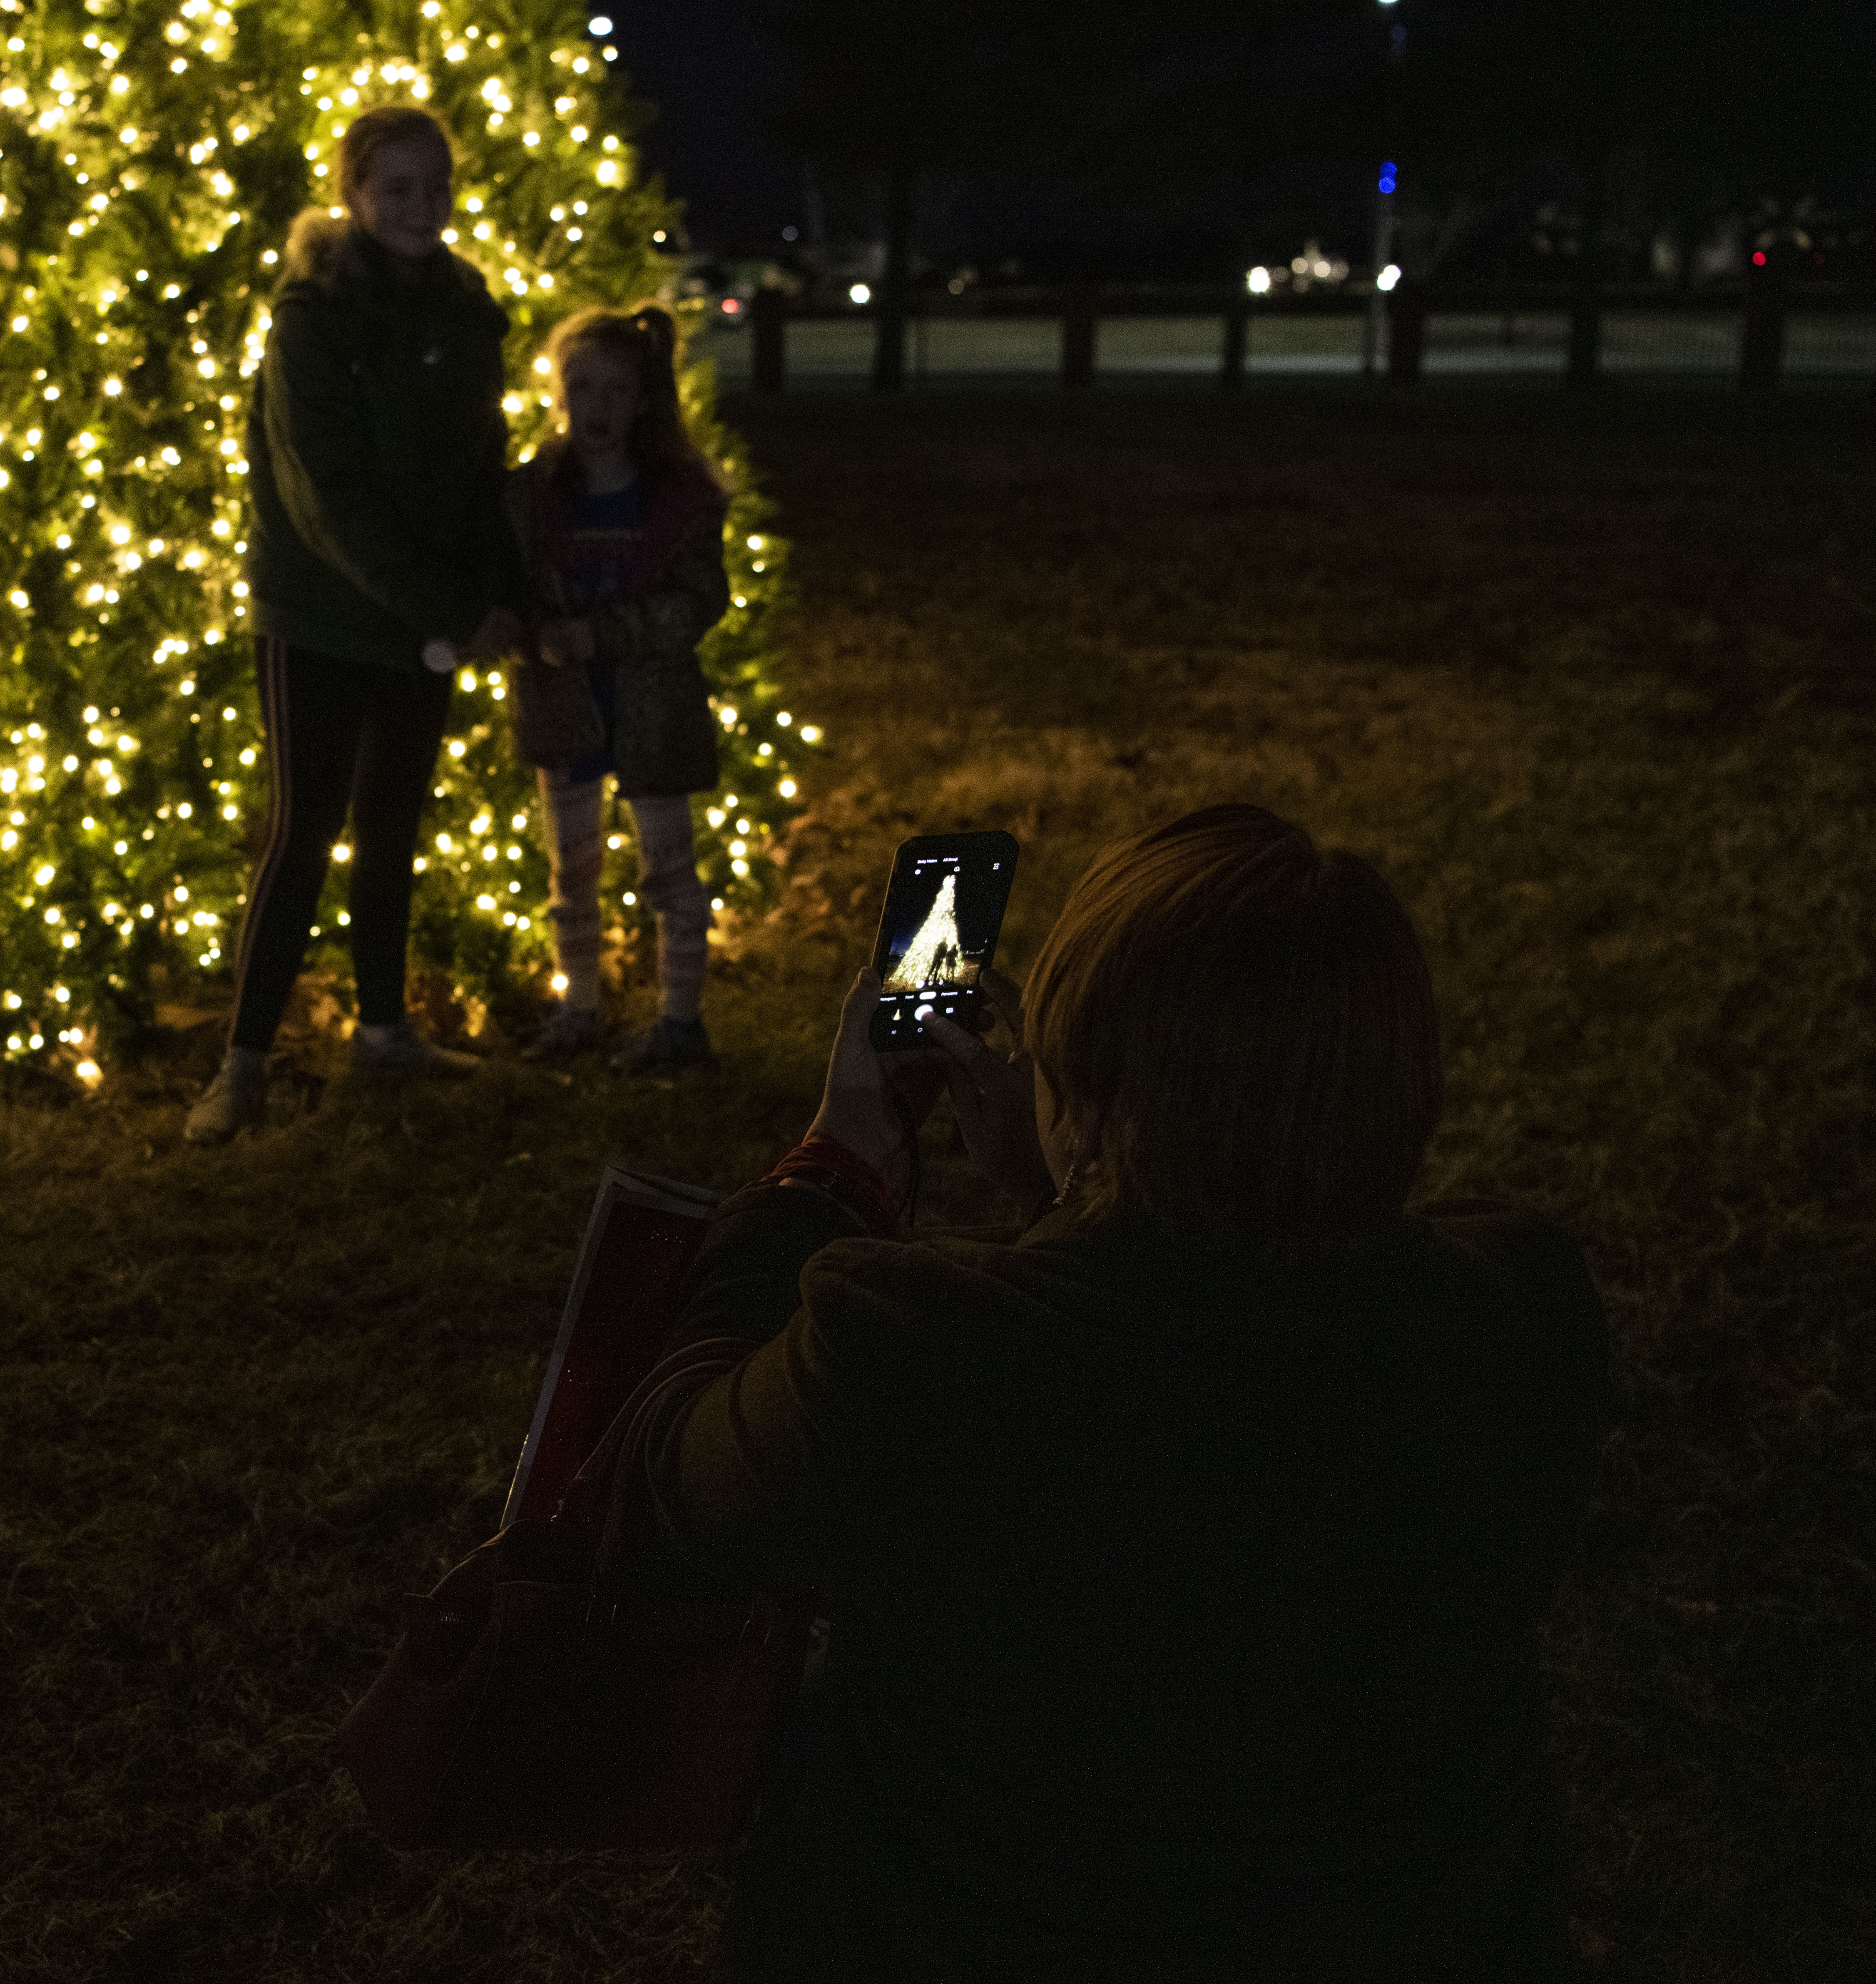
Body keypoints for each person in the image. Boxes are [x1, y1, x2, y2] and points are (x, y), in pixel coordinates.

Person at [638, 803, 1607, 1981]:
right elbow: (1223, 1319)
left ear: (1082, 1087)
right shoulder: (1513, 1316)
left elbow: (675, 1482)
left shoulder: (916, 1352)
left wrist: (832, 1158)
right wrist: (1067, 1193)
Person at [184, 105, 526, 1146]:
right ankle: (242, 1061)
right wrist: (449, 608)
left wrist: (496, 589)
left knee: (393, 826)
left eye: (436, 187)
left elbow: (480, 461)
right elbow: (326, 496)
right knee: (303, 830)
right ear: (353, 197)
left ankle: (381, 1029)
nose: (420, 208)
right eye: (396, 189)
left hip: (425, 627)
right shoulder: (312, 317)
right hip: (323, 619)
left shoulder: (465, 310)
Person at [506, 307, 730, 1073]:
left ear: (642, 400)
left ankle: (679, 1021)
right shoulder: (532, 499)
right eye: (580, 386)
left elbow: (696, 601)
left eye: (613, 389)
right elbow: (509, 588)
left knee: (669, 870)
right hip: (566, 713)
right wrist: (533, 633)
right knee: (571, 873)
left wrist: (604, 635)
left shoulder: (678, 503)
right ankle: (579, 1008)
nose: (595, 406)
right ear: (558, 394)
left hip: (651, 715)